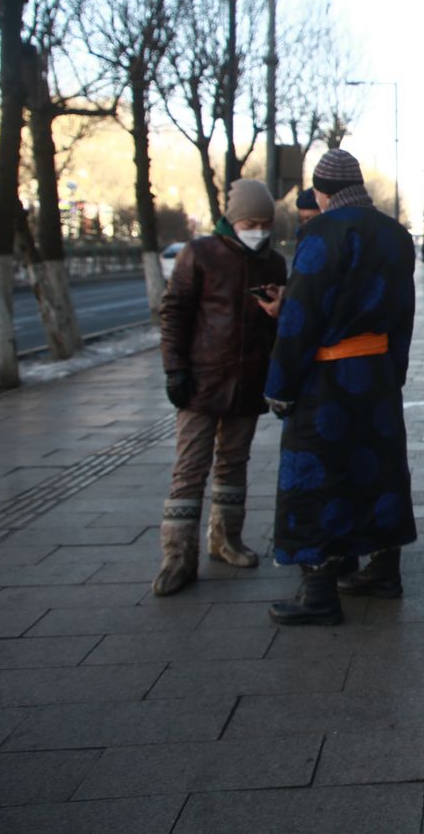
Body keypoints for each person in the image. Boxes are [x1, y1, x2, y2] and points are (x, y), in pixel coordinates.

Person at [260, 148, 418, 625]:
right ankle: (384, 574)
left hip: (327, 380)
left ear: (322, 192)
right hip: (377, 376)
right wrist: (394, 372)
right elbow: (404, 313)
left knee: (317, 478)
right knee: (380, 474)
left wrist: (280, 385)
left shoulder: (321, 232)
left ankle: (320, 595)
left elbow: (304, 317)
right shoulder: (396, 235)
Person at [153, 179, 287, 596]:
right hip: (201, 379)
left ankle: (226, 540)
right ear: (232, 220)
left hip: (247, 382)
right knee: (190, 468)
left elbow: (279, 325)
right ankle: (177, 557)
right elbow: (174, 312)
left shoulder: (274, 263)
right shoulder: (201, 253)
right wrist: (175, 369)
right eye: (251, 222)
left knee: (233, 464)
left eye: (265, 224)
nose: (259, 231)